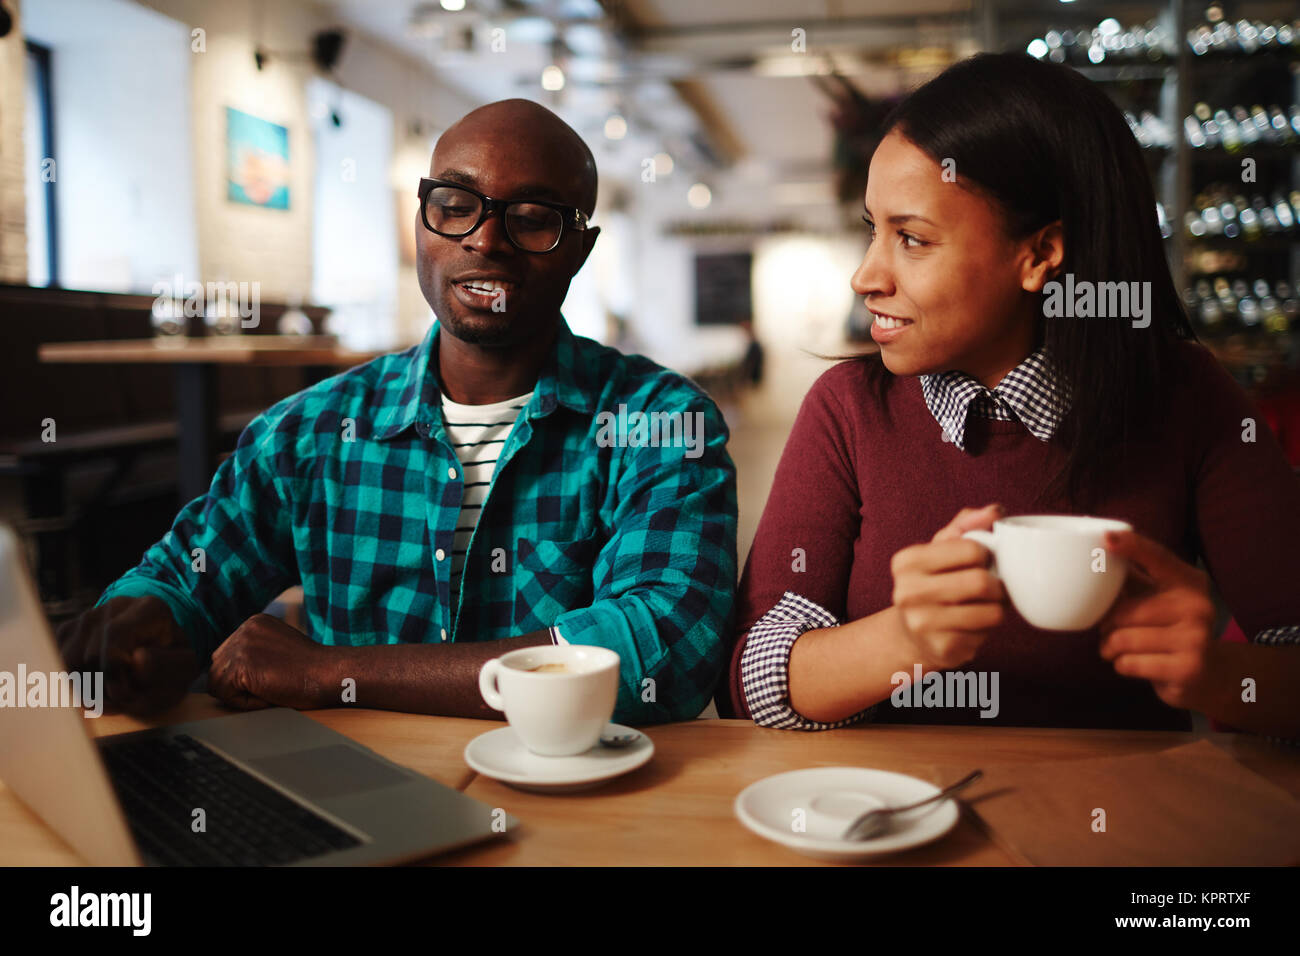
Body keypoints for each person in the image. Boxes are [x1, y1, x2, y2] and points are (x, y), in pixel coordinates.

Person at [59, 99, 737, 724]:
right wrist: (137, 622)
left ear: (580, 251)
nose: (486, 240)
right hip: (350, 792)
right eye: (455, 203)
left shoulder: (657, 423)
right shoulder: (309, 432)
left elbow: (664, 651)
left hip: (570, 805)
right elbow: (186, 576)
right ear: (422, 224)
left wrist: (333, 673)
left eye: (532, 218)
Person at [724, 53, 1300, 738]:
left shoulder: (1185, 398)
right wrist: (904, 641)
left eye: (910, 238)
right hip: (888, 818)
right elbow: (750, 680)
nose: (865, 275)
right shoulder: (848, 408)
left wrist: (1208, 671)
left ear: (1040, 255)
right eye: (870, 229)